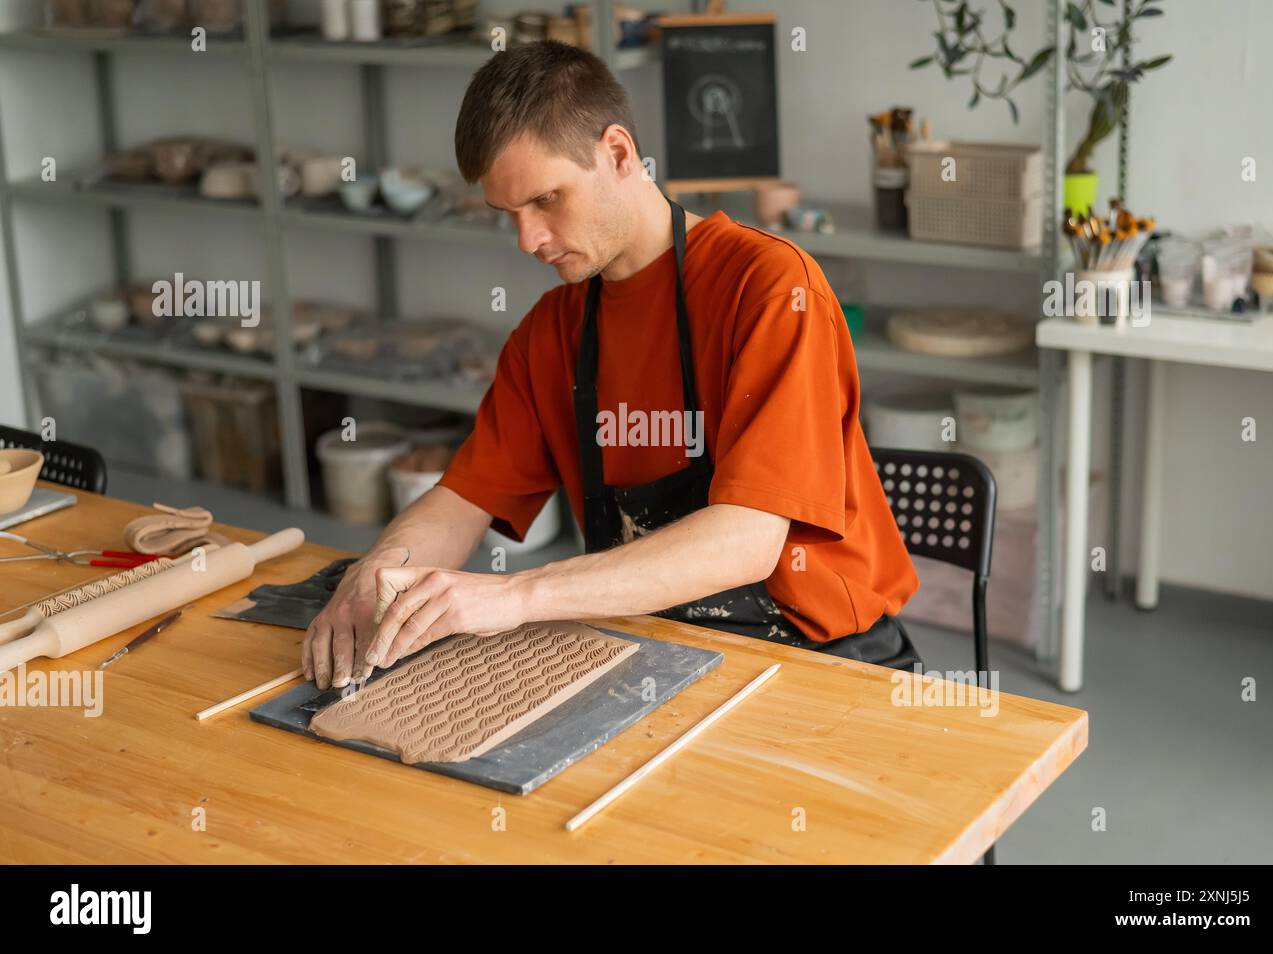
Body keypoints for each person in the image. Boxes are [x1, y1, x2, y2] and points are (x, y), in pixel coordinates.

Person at [301, 40, 922, 691]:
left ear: (619, 153)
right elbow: (462, 499)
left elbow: (749, 539)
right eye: (509, 215)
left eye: (545, 200)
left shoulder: (767, 287)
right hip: (656, 644)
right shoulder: (551, 332)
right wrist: (372, 576)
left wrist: (514, 596)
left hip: (825, 659)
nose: (527, 240)